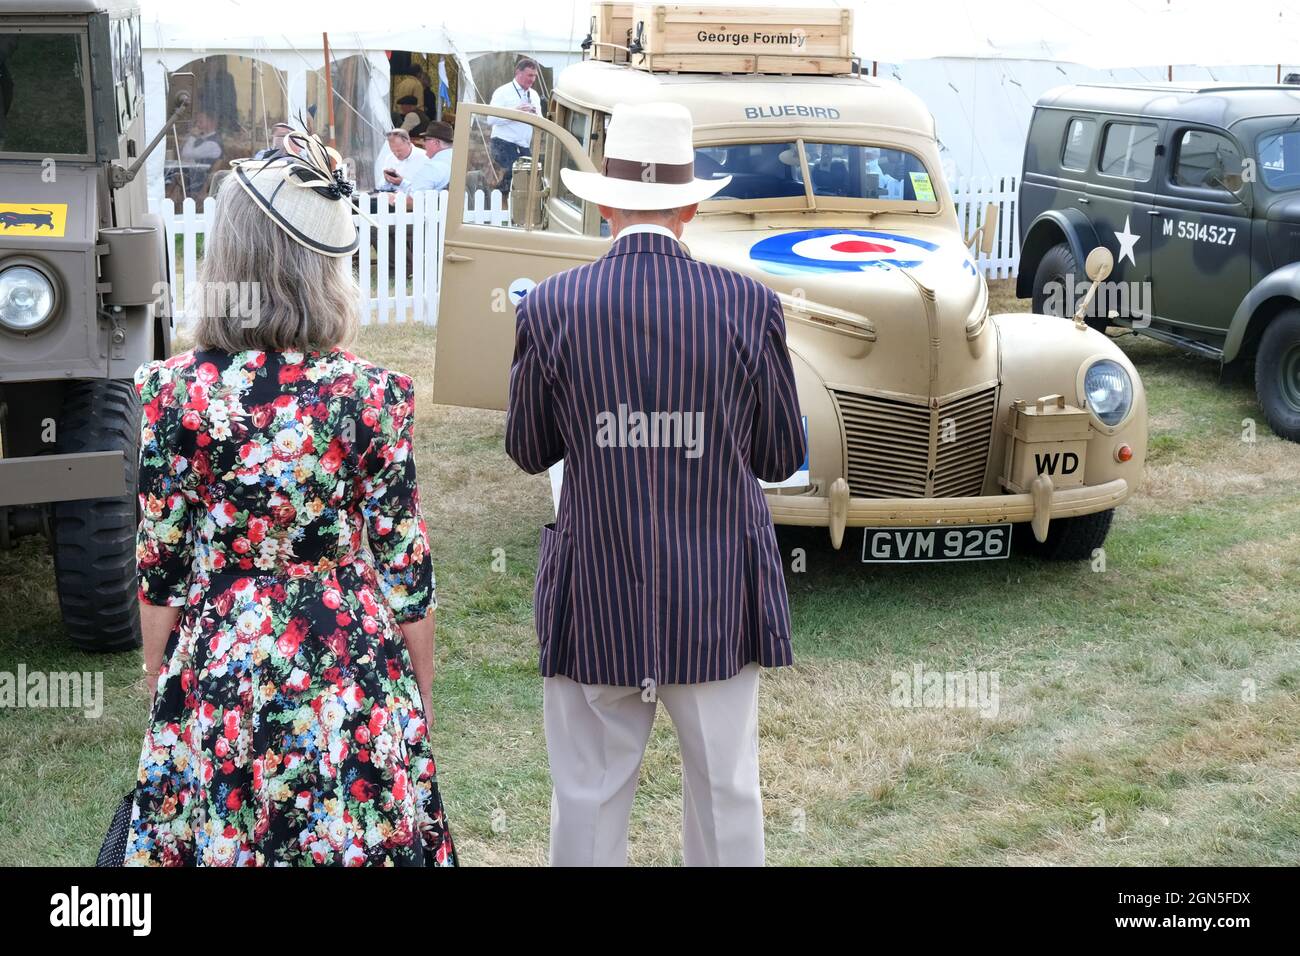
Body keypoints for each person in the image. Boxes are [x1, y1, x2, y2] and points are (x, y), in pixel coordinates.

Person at [125, 126, 456, 867]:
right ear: (323, 270)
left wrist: (162, 688)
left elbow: (162, 569)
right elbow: (406, 572)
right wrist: (417, 697)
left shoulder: (172, 393)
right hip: (347, 665)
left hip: (221, 663)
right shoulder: (373, 397)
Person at [505, 101, 806, 867]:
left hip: (595, 590)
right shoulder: (749, 305)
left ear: (603, 200)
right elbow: (780, 455)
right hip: (714, 595)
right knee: (726, 792)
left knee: (587, 798)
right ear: (691, 202)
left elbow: (529, 448)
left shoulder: (549, 307)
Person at [486, 58, 541, 194]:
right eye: (529, 75)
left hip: (524, 145)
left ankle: (520, 212)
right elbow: (490, 119)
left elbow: (541, 120)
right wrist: (515, 112)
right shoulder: (502, 92)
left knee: (528, 180)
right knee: (509, 181)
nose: (532, 80)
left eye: (534, 76)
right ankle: (503, 210)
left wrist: (535, 115)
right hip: (503, 144)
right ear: (518, 72)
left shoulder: (534, 95)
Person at [384, 120, 452, 209]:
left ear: (436, 142)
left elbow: (414, 201)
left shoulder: (432, 168)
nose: (423, 144)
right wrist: (402, 182)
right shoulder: (457, 160)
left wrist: (392, 200)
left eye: (425, 140)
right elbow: (422, 190)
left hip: (427, 219)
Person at [373, 127, 429, 197]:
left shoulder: (424, 158)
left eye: (399, 150)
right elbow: (380, 187)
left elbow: (425, 189)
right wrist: (387, 180)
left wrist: (402, 182)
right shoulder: (390, 158)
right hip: (391, 201)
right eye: (393, 151)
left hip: (415, 203)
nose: (396, 154)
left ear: (408, 142)